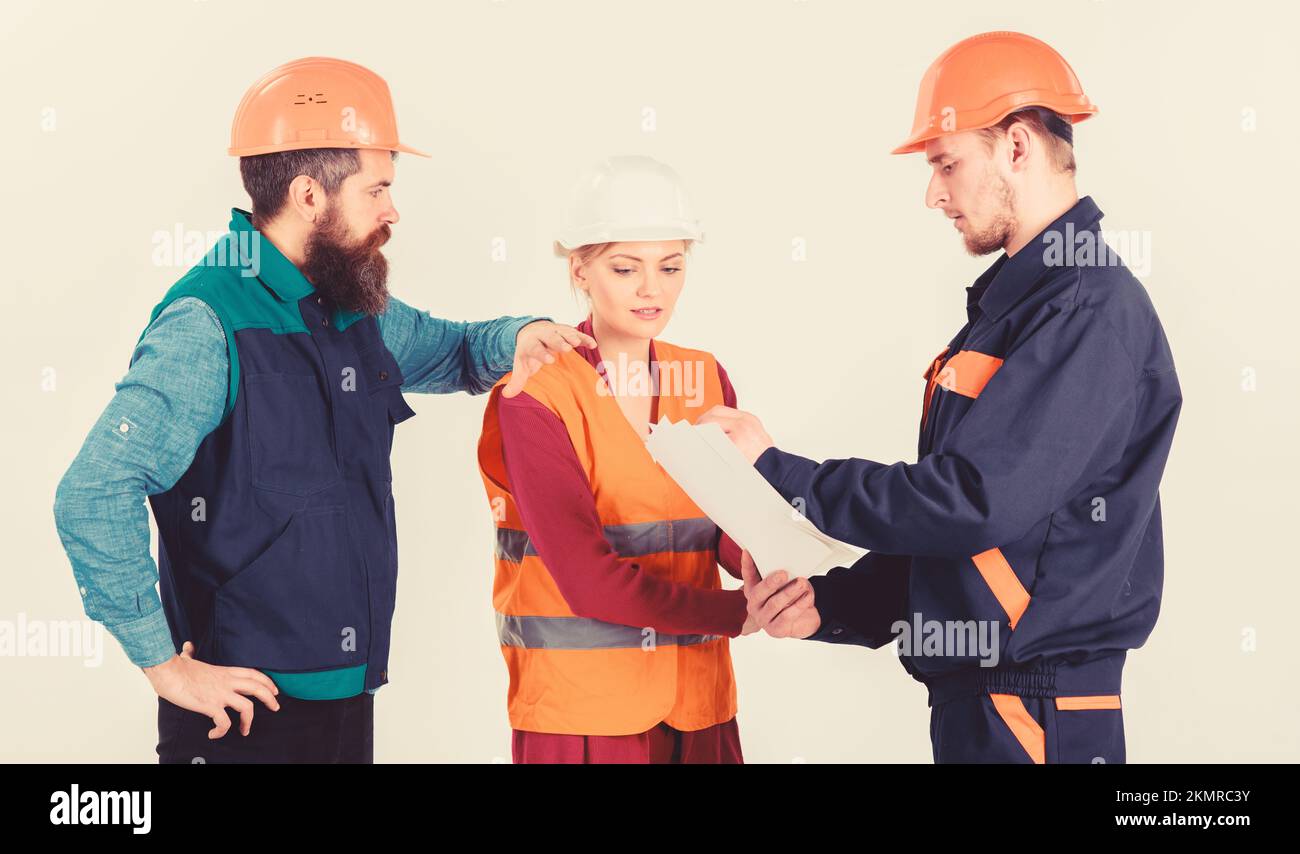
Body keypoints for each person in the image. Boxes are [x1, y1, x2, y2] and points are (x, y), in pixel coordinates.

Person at [52, 56, 592, 763]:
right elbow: (92, 492)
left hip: (345, 697)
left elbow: (454, 350)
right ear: (310, 195)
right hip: (243, 716)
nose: (392, 209)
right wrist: (164, 666)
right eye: (378, 189)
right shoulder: (207, 320)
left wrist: (520, 334)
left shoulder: (349, 303)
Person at [702, 32, 1183, 764]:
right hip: (993, 706)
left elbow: (971, 502)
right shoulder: (1021, 312)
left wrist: (777, 470)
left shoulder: (1089, 311)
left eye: (946, 164)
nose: (933, 194)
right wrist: (830, 608)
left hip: (1036, 713)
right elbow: (965, 534)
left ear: (1017, 147)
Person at [477, 155, 791, 764]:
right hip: (583, 717)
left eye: (671, 267)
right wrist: (738, 612)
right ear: (581, 271)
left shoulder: (704, 376)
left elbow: (720, 531)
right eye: (626, 268)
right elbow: (586, 577)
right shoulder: (533, 396)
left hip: (700, 705)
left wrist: (771, 562)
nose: (653, 289)